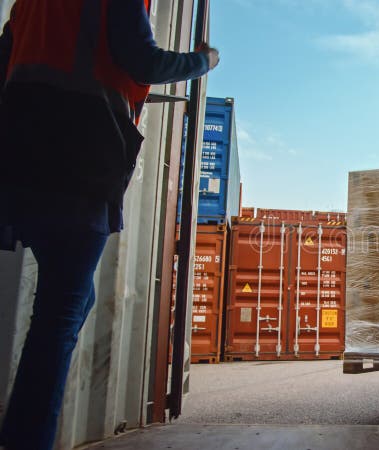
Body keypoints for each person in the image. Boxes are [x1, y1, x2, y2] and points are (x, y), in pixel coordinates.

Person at [0, 1, 219, 449]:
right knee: (60, 313)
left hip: (20, 161)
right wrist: (205, 61)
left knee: (72, 300)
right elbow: (144, 60)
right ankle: (26, 439)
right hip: (77, 159)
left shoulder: (30, 4)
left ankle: (20, 429)